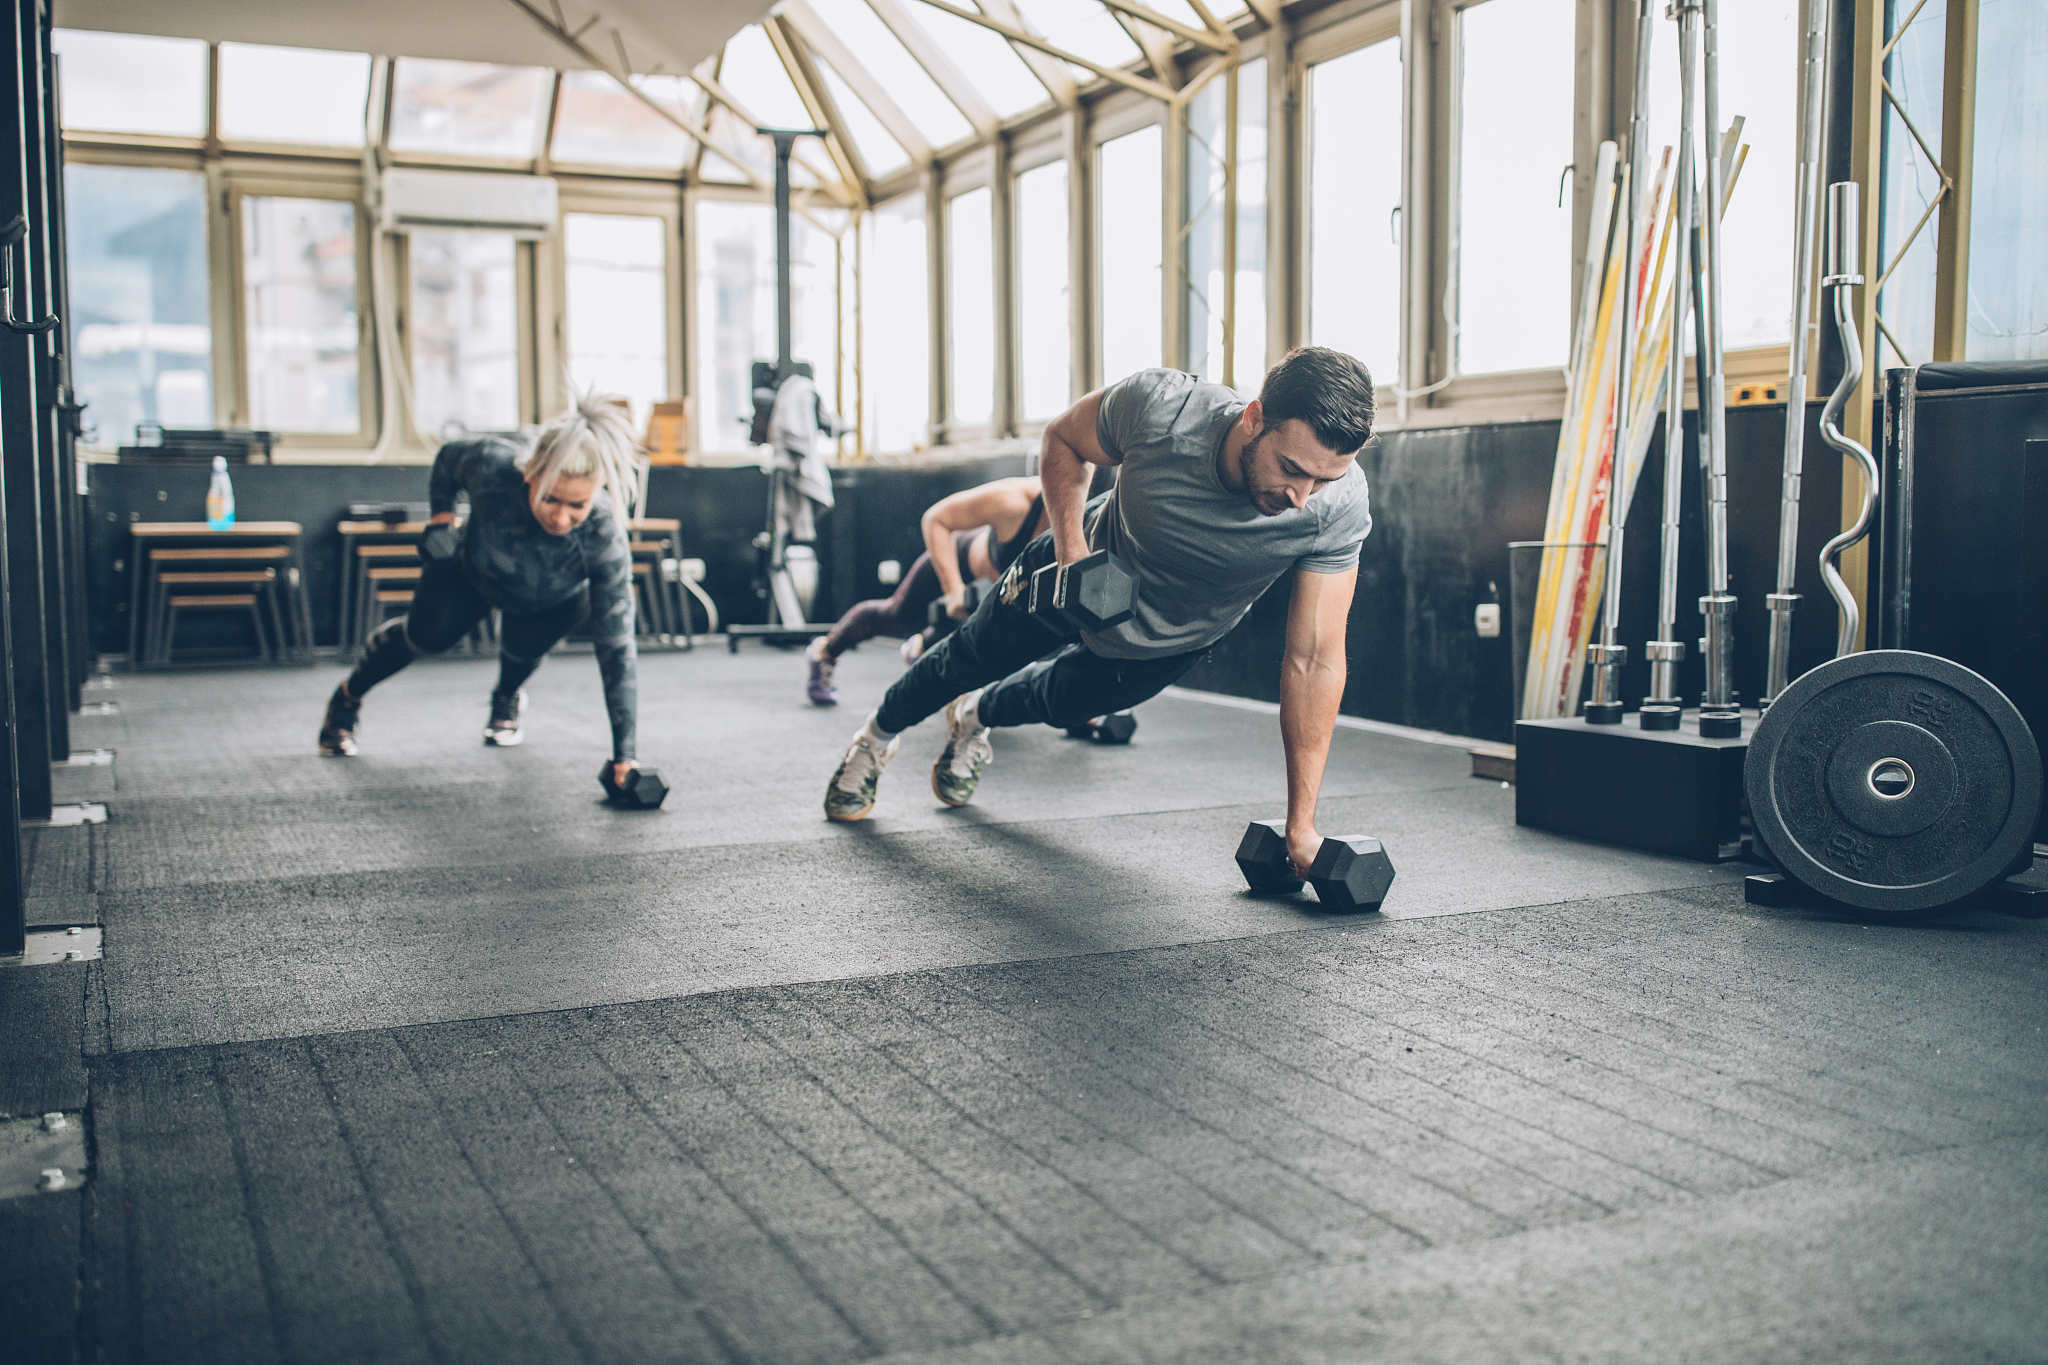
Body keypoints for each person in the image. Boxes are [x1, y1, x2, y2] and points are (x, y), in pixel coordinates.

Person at [823, 346, 1377, 876]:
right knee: (966, 658)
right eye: (1291, 468)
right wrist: (1073, 558)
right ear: (1254, 419)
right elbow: (1064, 439)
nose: (1301, 497)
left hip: (1170, 639)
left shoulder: (1339, 507)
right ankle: (873, 740)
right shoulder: (1164, 407)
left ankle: (974, 716)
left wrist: (1301, 827)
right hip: (1080, 570)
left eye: (1323, 480)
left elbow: (1315, 659)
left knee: (1061, 703)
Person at [317, 394, 647, 792]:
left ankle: (507, 697)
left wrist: (625, 756)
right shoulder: (492, 465)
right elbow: (448, 459)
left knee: (523, 650)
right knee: (424, 638)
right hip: (471, 573)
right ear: (529, 473)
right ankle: (348, 696)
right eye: (550, 498)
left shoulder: (604, 536)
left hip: (549, 599)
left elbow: (617, 648)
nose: (561, 518)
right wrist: (442, 516)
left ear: (597, 490)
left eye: (577, 505)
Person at [804, 475, 1047, 704]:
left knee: (973, 636)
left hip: (1001, 594)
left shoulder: (1072, 527)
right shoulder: (1014, 500)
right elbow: (936, 519)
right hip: (960, 561)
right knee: (896, 615)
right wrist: (953, 590)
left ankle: (919, 647)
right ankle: (824, 652)